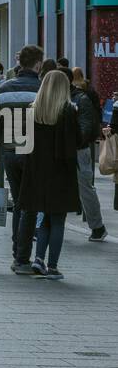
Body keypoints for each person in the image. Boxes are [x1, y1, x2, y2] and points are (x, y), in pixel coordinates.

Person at [11, 70, 81, 278]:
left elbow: (23, 144)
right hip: (60, 172)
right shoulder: (68, 111)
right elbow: (76, 142)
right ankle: (52, 266)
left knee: (43, 219)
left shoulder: (34, 111)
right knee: (57, 220)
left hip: (36, 172)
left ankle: (39, 259)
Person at [0, 44, 43, 263]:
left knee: (19, 201)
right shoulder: (42, 89)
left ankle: (16, 250)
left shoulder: (2, 90)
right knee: (29, 205)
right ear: (38, 64)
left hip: (10, 153)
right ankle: (21, 256)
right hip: (34, 154)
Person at [70, 69, 106, 241]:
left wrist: (74, 142)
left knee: (85, 187)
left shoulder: (81, 97)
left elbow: (87, 124)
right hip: (74, 149)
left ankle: (97, 227)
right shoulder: (73, 96)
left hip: (79, 150)